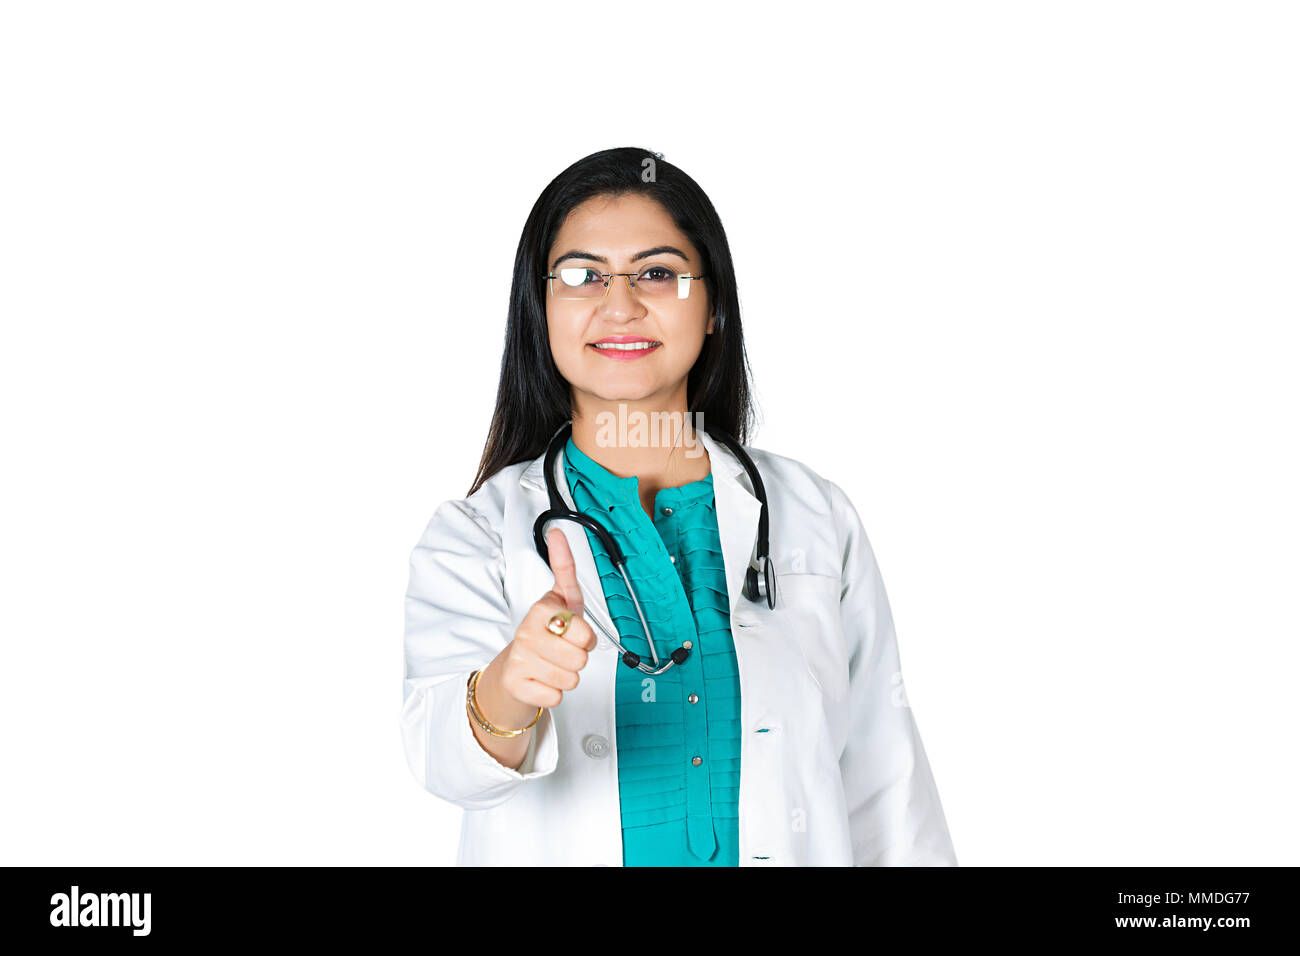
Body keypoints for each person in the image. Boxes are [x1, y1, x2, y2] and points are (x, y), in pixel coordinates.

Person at [400, 146, 957, 866]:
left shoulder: (813, 515)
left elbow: (885, 784)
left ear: (715, 305)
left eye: (658, 273)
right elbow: (443, 760)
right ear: (539, 311)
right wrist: (509, 688)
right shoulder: (474, 535)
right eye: (582, 276)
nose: (620, 304)